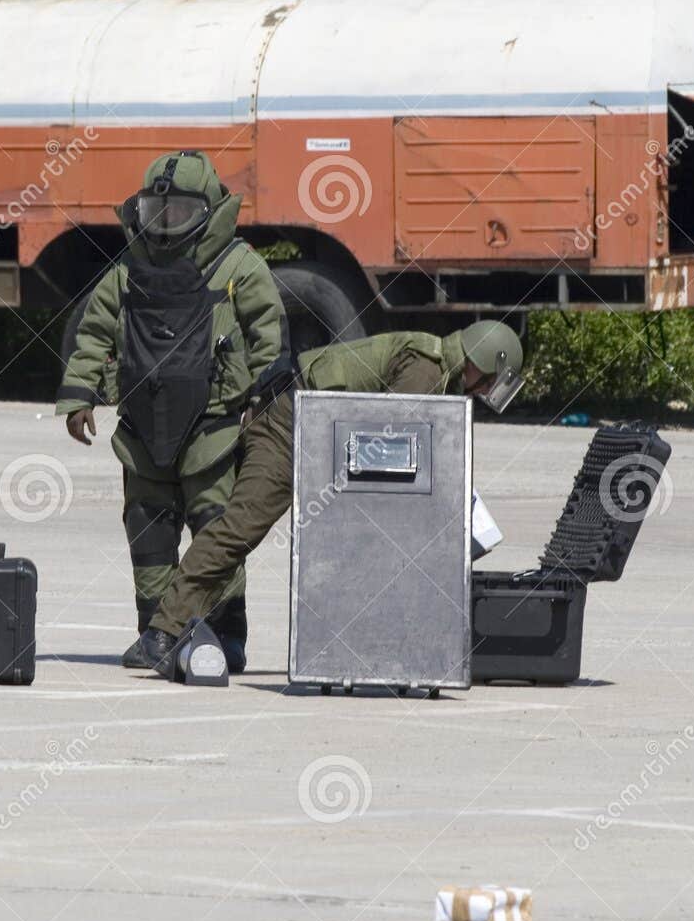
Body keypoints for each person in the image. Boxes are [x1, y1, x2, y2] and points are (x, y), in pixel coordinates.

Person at [132, 321, 525, 673]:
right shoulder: (426, 370)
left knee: (246, 531)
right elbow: (392, 448)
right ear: (484, 361)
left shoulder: (435, 368)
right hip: (290, 426)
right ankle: (163, 632)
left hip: (313, 426)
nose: (485, 391)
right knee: (240, 528)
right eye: (490, 380)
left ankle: (188, 627)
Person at [56, 150, 285, 671]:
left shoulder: (238, 265)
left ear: (207, 210)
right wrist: (77, 397)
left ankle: (227, 634)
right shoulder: (127, 270)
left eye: (179, 212)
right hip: (141, 429)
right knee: (148, 532)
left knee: (216, 533)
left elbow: (269, 337)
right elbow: (92, 334)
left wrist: (263, 404)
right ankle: (153, 632)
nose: (164, 224)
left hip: (216, 431)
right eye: (154, 211)